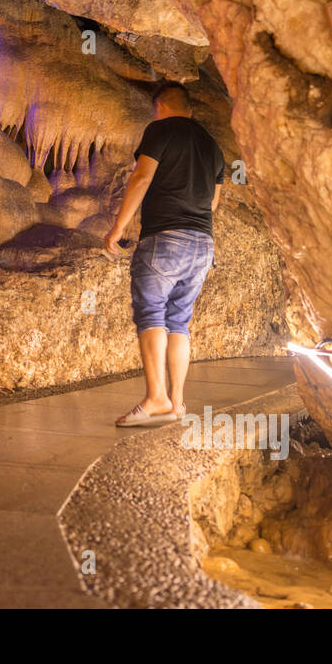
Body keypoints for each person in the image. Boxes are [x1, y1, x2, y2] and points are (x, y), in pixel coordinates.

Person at [105, 83, 225, 427]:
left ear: (160, 107)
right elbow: (213, 203)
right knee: (178, 320)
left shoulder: (160, 130)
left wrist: (118, 228)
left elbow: (142, 177)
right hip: (203, 244)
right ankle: (177, 402)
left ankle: (156, 396)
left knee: (151, 313)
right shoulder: (212, 146)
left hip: (164, 238)